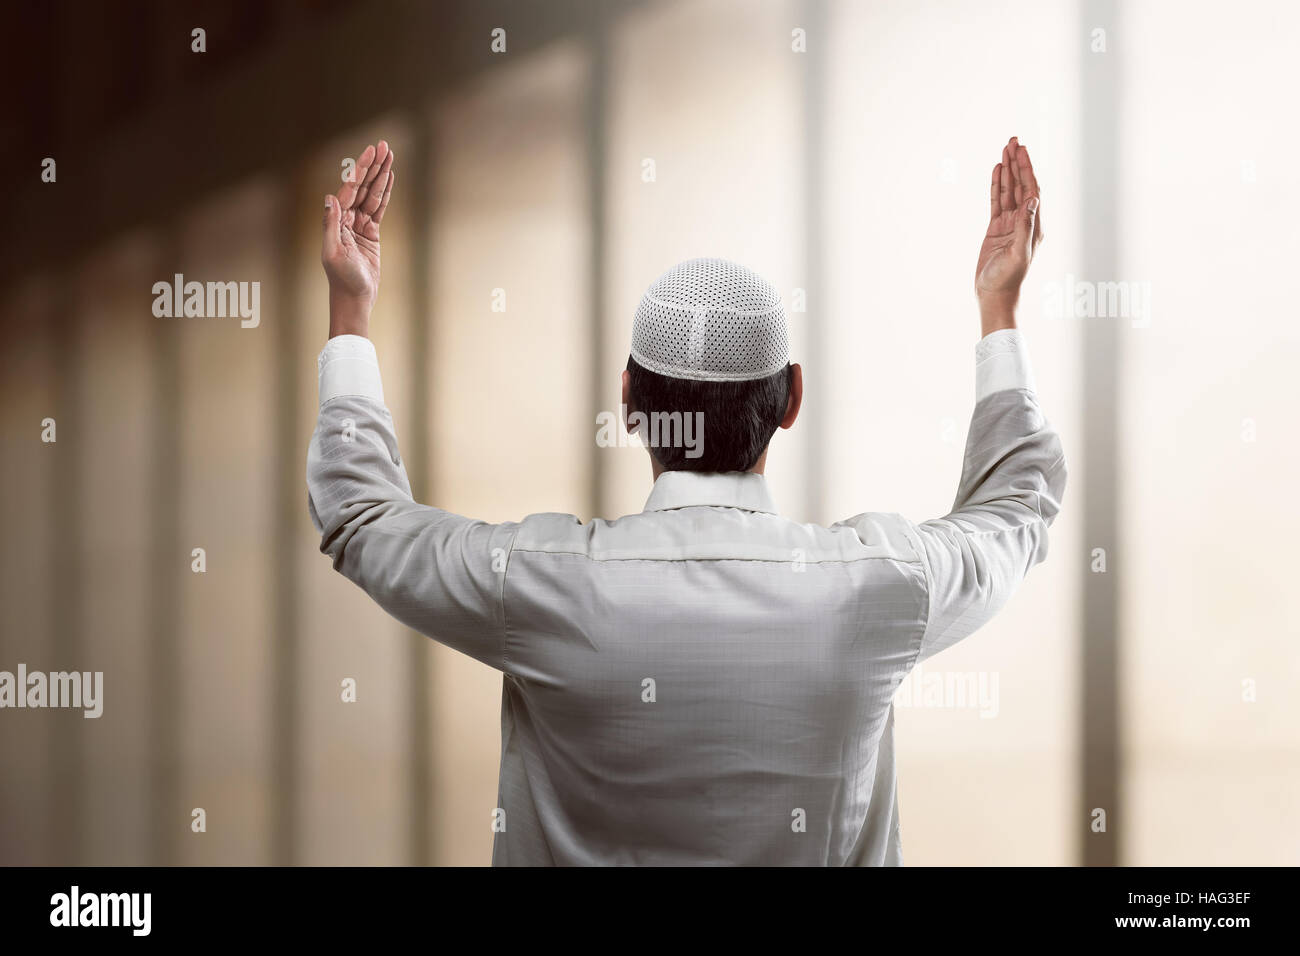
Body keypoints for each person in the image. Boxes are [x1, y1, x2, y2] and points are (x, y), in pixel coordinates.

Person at [308, 136, 1066, 865]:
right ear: (791, 397)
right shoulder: (880, 582)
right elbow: (1016, 510)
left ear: (631, 401)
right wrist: (999, 307)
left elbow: (363, 519)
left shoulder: (540, 580)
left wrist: (350, 309)